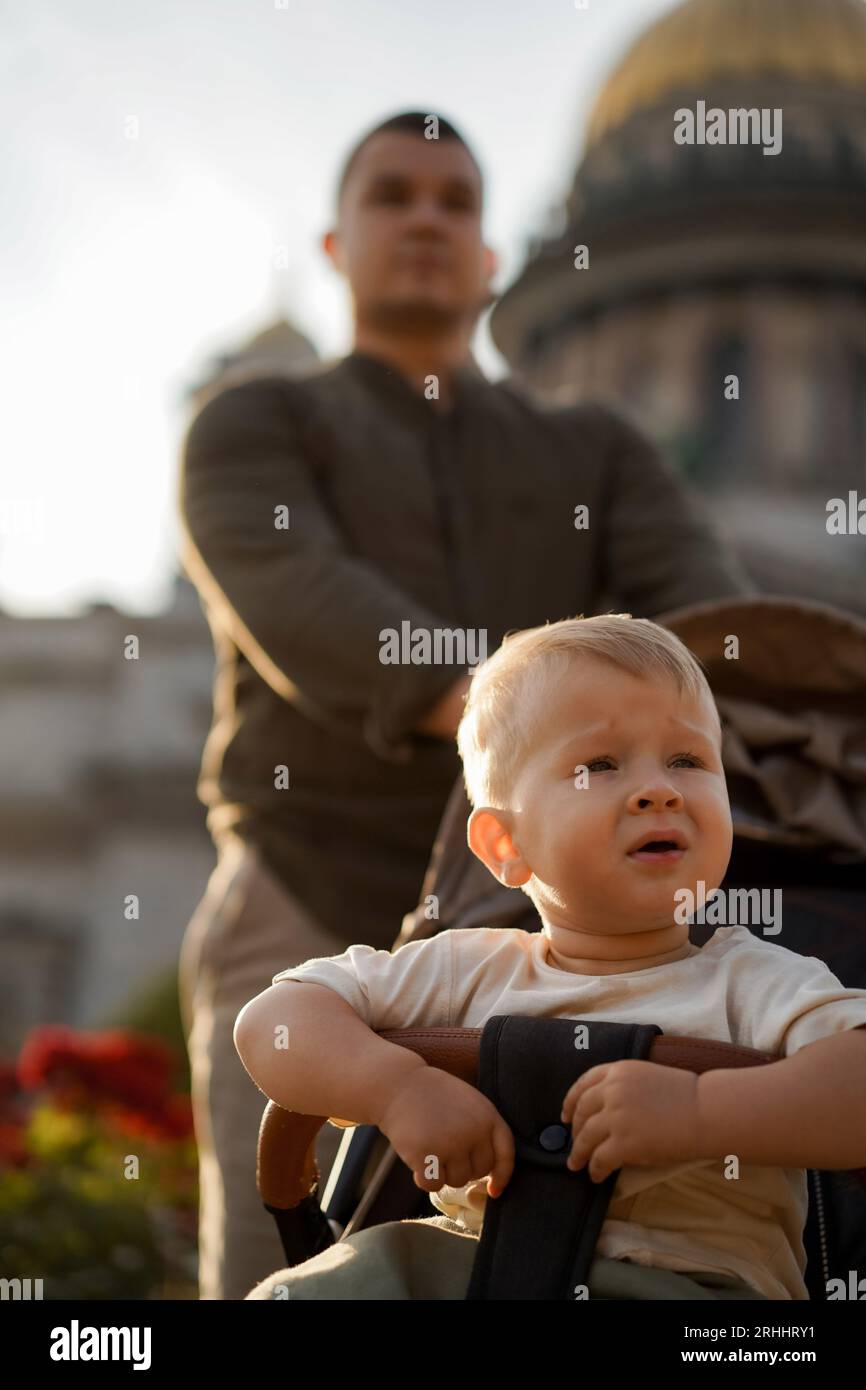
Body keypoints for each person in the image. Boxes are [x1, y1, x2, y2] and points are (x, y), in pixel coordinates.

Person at [177, 109, 752, 1300]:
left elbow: (707, 626)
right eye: (393, 196)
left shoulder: (598, 449)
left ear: (492, 259)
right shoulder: (254, 421)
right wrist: (535, 732)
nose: (426, 221)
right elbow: (305, 598)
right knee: (266, 1256)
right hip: (307, 884)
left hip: (562, 923)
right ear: (337, 244)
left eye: (455, 201)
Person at [235, 613, 866, 1301]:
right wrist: (396, 1087)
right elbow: (276, 1020)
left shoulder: (755, 985)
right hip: (479, 1264)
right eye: (598, 765)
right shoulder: (459, 971)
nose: (661, 789)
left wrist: (700, 1111)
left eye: (687, 760)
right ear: (506, 846)